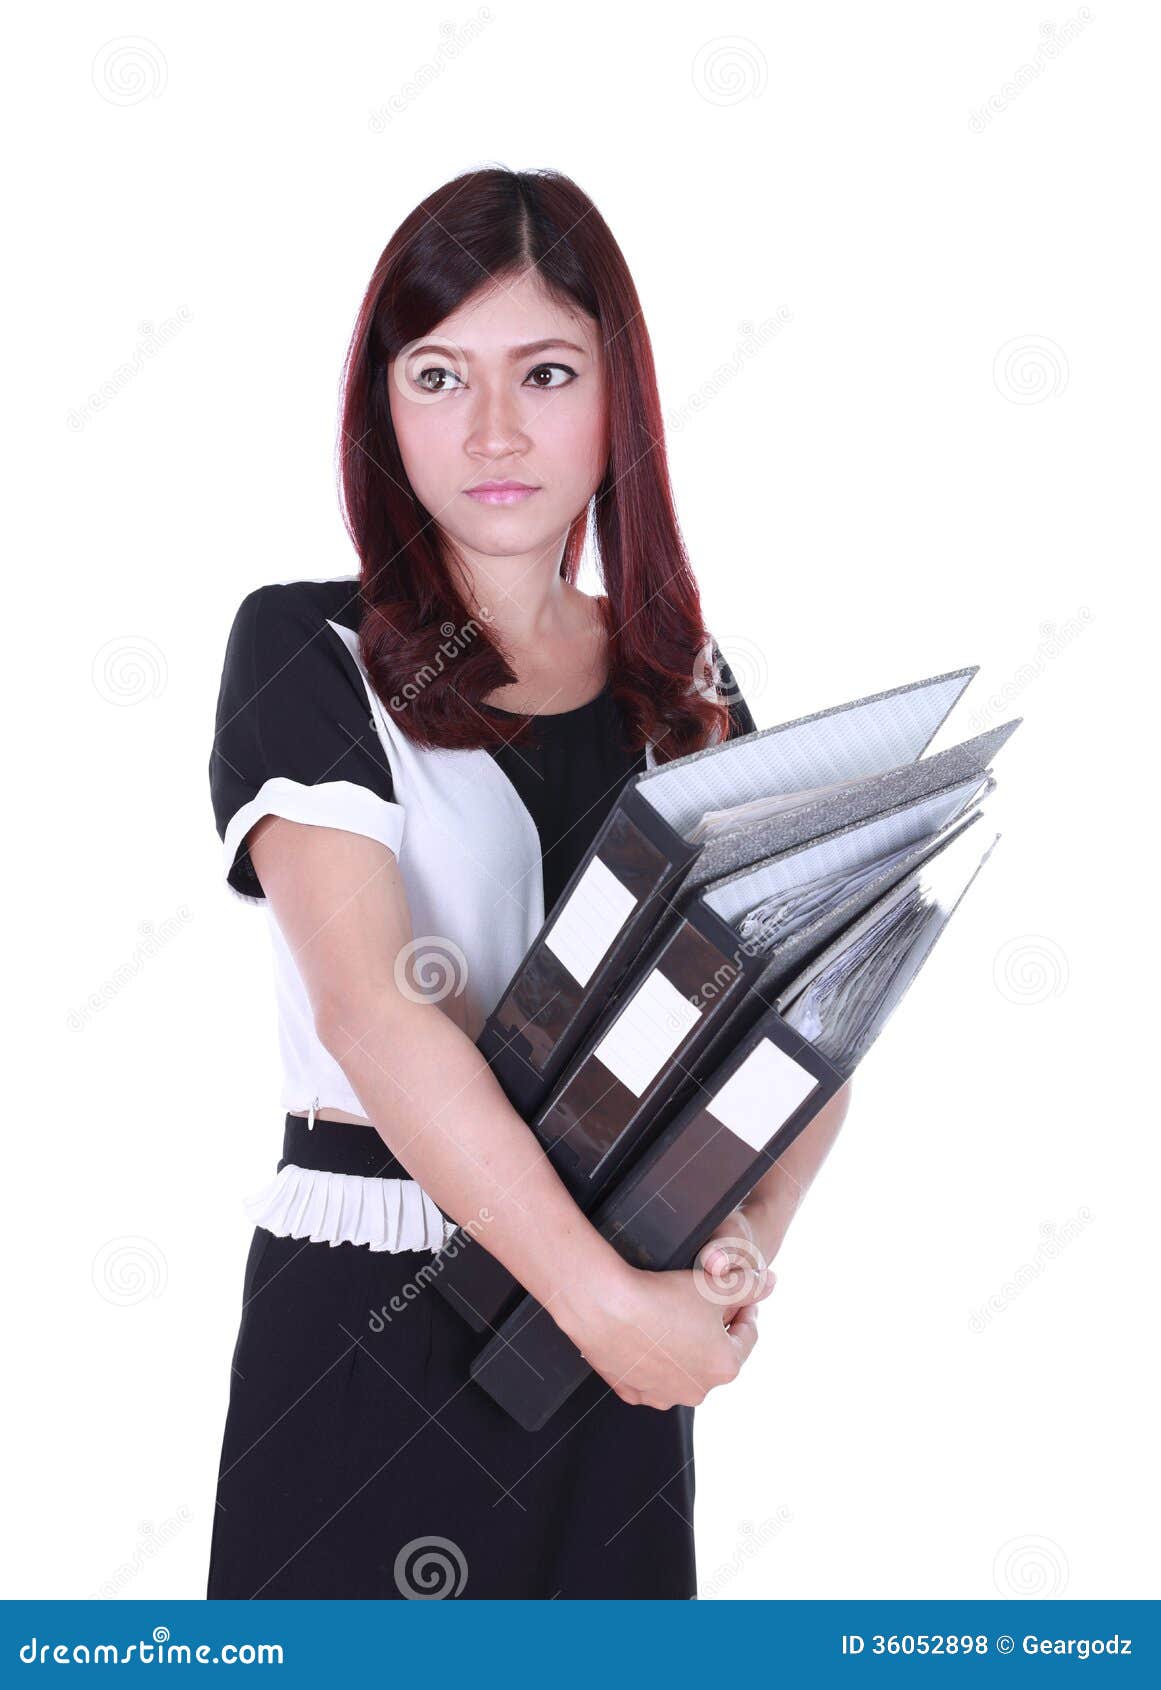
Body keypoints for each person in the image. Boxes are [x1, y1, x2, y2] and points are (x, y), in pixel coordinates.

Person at [205, 165, 852, 1601]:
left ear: (620, 398)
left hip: (616, 1344)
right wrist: (604, 1299)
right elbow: (374, 1012)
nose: (492, 430)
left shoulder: (685, 689)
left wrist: (732, 1255)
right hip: (380, 1317)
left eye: (546, 373)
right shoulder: (307, 653)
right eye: (439, 376)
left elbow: (796, 1018)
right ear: (383, 410)